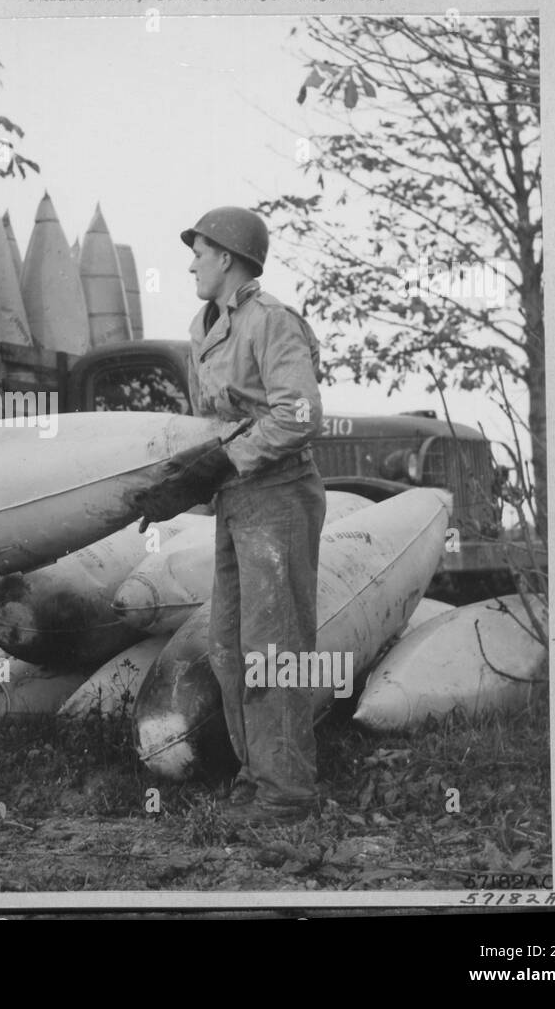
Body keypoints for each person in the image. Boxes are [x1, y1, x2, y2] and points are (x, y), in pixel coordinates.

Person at [134, 207, 326, 823]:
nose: (190, 261)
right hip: (237, 500)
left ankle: (287, 793)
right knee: (229, 648)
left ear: (227, 257)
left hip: (279, 497)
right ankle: (255, 777)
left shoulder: (271, 322)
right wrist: (180, 481)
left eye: (199, 251)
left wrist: (221, 463)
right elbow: (212, 426)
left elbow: (298, 415)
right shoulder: (205, 326)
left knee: (276, 647)